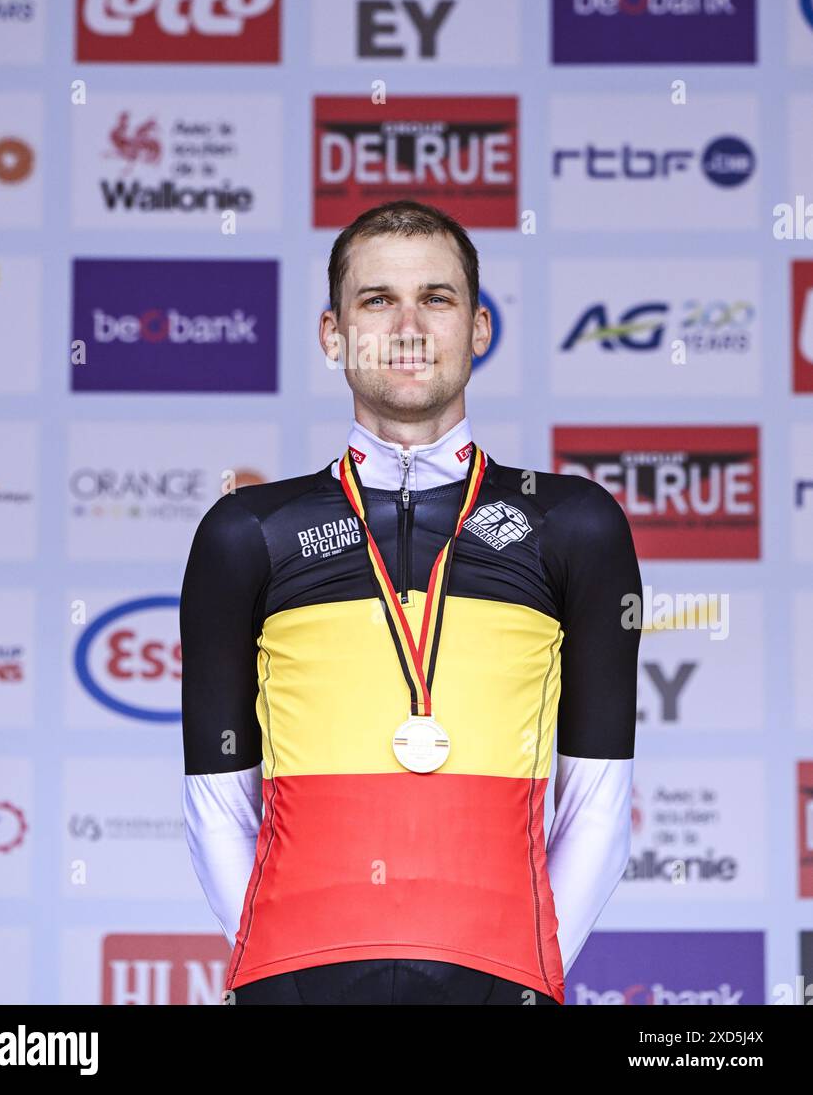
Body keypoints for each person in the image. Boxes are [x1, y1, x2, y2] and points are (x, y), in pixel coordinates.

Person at [179, 198, 642, 1006]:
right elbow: (217, 805)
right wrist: (287, 960)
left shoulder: (573, 523)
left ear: (479, 329)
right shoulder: (247, 530)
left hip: (503, 981)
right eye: (376, 300)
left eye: (437, 298)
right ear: (333, 335)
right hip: (294, 981)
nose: (408, 325)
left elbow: (598, 804)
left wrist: (519, 967)